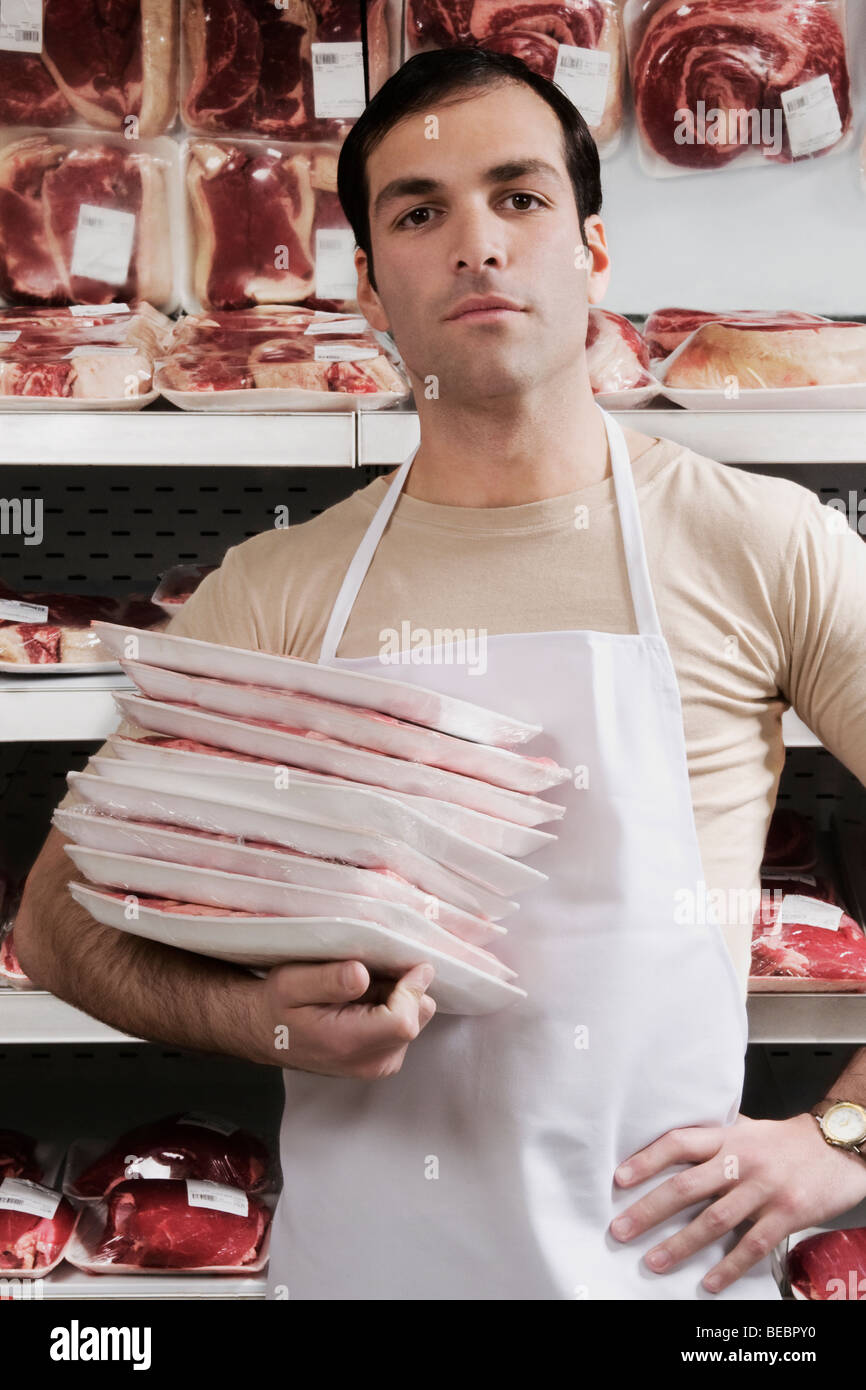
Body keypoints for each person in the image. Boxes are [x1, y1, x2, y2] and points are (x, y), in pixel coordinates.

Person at [16, 48, 866, 1301]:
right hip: (365, 1276)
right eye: (420, 211)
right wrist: (268, 1024)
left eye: (518, 197)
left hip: (669, 1280)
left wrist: (838, 1139)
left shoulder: (762, 544)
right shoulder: (278, 590)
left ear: (592, 252)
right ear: (368, 285)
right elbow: (56, 921)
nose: (476, 243)